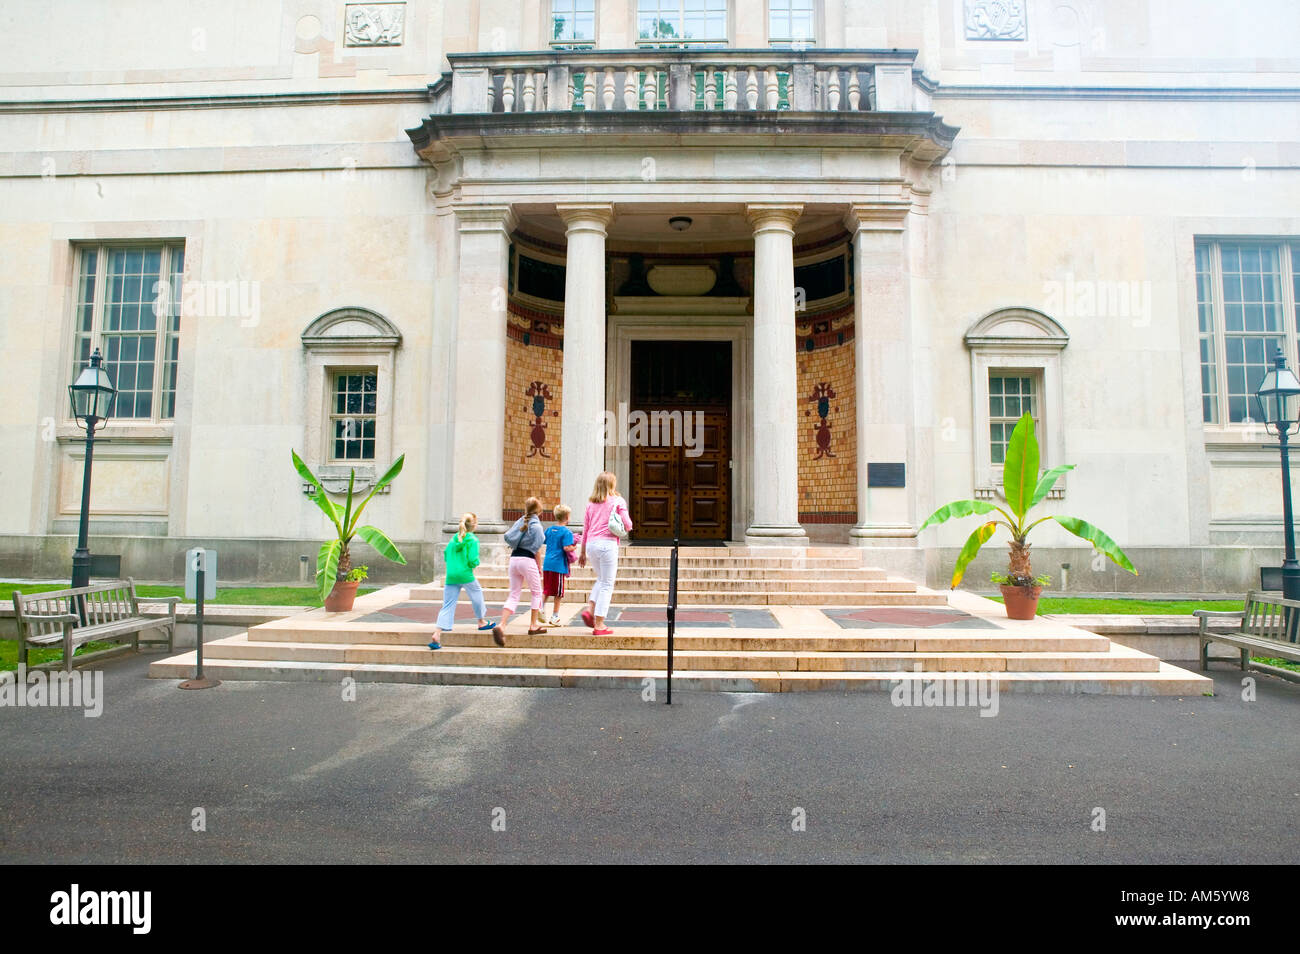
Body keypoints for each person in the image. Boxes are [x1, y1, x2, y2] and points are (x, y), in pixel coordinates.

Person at [428, 512, 502, 651]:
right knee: (477, 595)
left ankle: (437, 634)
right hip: (465, 574)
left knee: (447, 605)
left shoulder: (454, 538)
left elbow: (445, 555)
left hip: (451, 575)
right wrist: (474, 564)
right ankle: (481, 621)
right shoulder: (473, 540)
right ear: (474, 525)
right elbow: (473, 559)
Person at [579, 471, 633, 636]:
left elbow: (585, 529)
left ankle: (590, 609)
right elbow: (628, 524)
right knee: (608, 584)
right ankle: (599, 624)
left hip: (591, 545)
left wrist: (582, 553)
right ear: (612, 485)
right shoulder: (617, 501)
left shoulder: (590, 504)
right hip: (607, 544)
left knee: (601, 579)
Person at [500, 496, 547, 639]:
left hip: (514, 559)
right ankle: (533, 625)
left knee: (514, 593)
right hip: (527, 559)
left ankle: (502, 624)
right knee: (537, 592)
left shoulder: (519, 522)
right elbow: (536, 550)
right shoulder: (537, 527)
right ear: (539, 511)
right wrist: (539, 567)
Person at [541, 504, 579, 626]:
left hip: (547, 563)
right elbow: (566, 547)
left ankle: (540, 608)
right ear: (567, 517)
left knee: (546, 589)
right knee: (558, 593)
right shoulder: (567, 532)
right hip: (558, 565)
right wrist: (574, 547)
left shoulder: (549, 529)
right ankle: (555, 616)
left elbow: (544, 540)